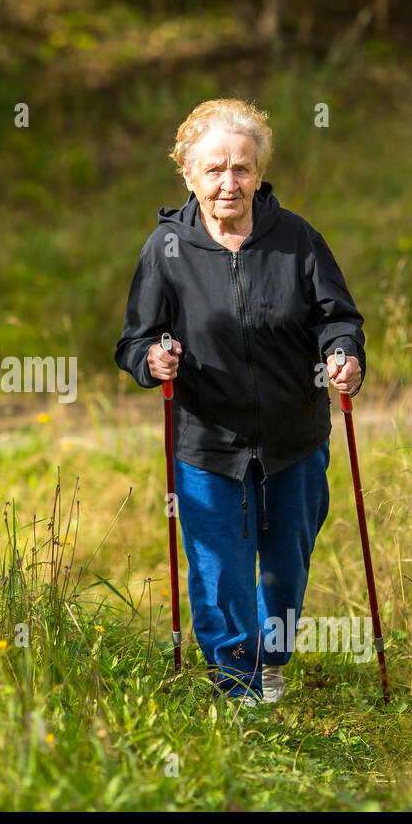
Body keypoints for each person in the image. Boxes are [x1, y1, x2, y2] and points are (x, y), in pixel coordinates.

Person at [114, 98, 366, 706]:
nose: (230, 183)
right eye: (215, 169)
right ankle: (235, 679)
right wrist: (152, 360)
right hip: (206, 440)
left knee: (285, 562)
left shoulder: (297, 240)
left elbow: (339, 318)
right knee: (218, 566)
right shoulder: (165, 250)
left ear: (260, 171)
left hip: (295, 436)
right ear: (188, 173)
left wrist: (344, 355)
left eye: (243, 168)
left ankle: (269, 659)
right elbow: (133, 342)